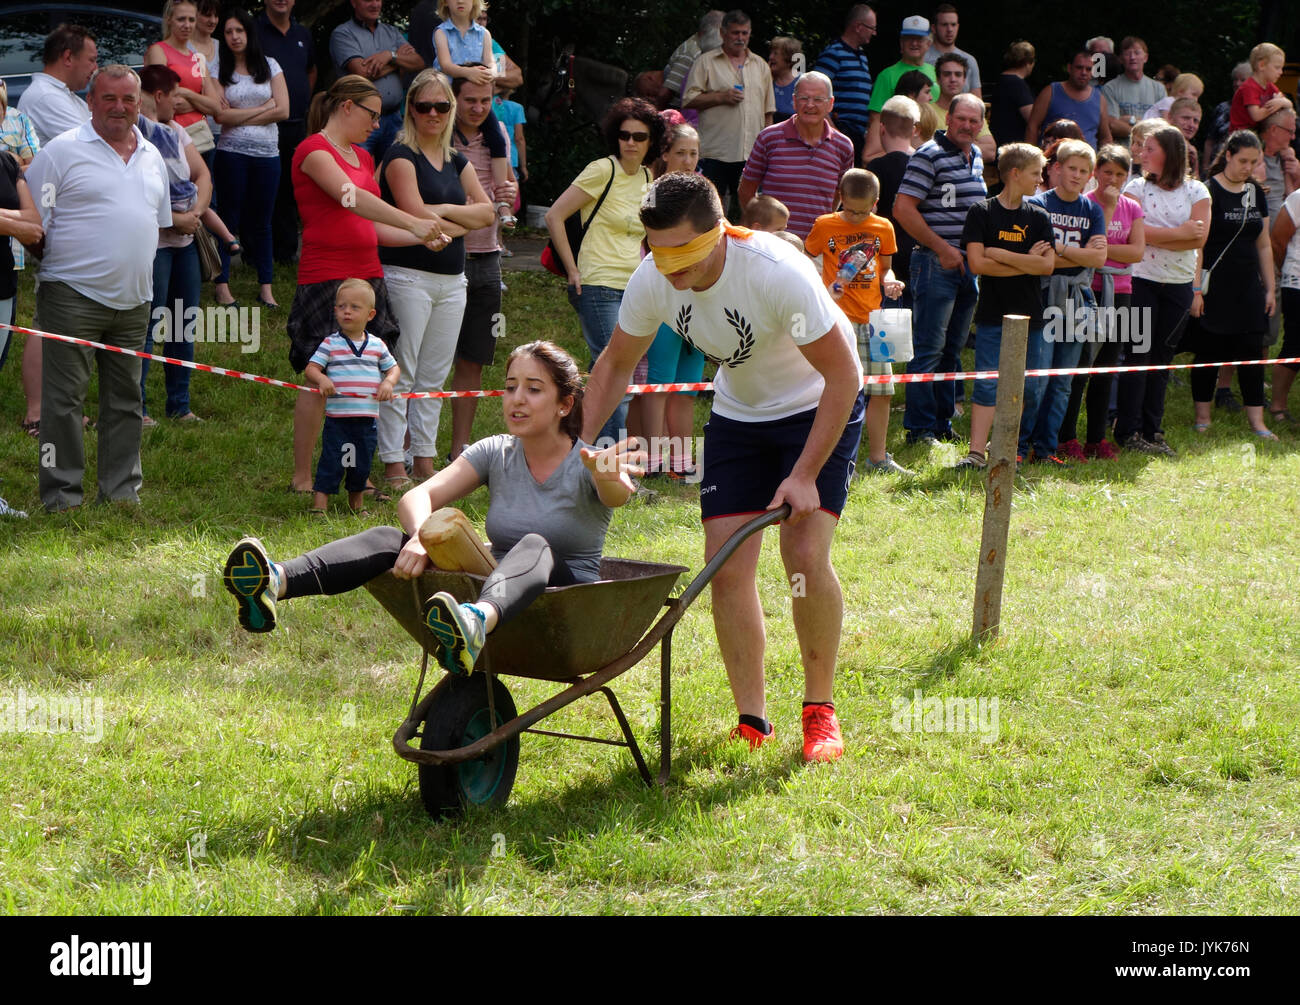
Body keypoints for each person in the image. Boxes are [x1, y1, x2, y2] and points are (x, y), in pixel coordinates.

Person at [583, 171, 865, 763]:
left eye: (682, 251)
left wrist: (805, 473)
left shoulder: (774, 273)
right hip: (740, 414)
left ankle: (820, 712)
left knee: (804, 557)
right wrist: (573, 447)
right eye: (657, 252)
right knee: (727, 563)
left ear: (718, 233)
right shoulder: (653, 277)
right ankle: (752, 720)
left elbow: (845, 376)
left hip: (818, 405)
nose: (669, 267)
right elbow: (614, 366)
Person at [223, 342, 644, 682]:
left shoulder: (591, 462)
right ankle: (273, 582)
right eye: (511, 386)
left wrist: (607, 476)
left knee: (536, 544)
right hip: (496, 587)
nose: (517, 399)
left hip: (567, 604)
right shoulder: (496, 451)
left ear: (564, 406)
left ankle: (477, 621)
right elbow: (415, 497)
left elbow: (616, 495)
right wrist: (422, 537)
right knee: (393, 537)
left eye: (534, 389)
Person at [286, 74, 450, 495]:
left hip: (368, 276)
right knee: (318, 377)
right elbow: (349, 199)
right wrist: (414, 220)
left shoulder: (362, 157)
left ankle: (359, 472)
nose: (377, 124)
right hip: (326, 276)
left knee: (362, 376)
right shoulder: (313, 150)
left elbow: (374, 224)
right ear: (346, 107)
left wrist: (423, 236)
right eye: (372, 114)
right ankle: (303, 477)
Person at [25, 66, 172, 513]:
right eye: (108, 98)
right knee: (63, 402)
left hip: (134, 300)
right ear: (90, 101)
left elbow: (158, 226)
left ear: (140, 102)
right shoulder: (61, 152)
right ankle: (61, 495)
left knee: (127, 399)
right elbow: (33, 224)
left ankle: (121, 491)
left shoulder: (152, 155)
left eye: (128, 99)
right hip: (70, 294)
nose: (119, 108)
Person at [377, 69, 493, 487]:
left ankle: (423, 461)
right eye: (424, 105)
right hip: (407, 274)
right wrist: (443, 215)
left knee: (433, 377)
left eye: (441, 106)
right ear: (410, 108)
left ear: (451, 110)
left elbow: (488, 212)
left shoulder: (457, 159)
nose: (433, 113)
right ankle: (393, 463)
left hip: (451, 279)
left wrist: (440, 213)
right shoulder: (399, 156)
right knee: (401, 372)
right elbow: (413, 214)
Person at [544, 97, 661, 445]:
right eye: (624, 135)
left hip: (634, 287)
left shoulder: (647, 176)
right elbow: (554, 215)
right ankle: (606, 460)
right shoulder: (601, 169)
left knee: (615, 376)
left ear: (651, 140)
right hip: (597, 284)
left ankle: (585, 450)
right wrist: (573, 270)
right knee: (613, 375)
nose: (631, 142)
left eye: (639, 137)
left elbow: (651, 235)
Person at [893, 94, 987, 444]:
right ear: (948, 117)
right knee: (929, 349)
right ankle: (918, 429)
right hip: (935, 263)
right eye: (961, 119)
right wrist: (942, 248)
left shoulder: (974, 156)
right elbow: (903, 208)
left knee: (952, 349)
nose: (966, 126)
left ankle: (941, 424)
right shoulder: (927, 155)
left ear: (981, 125)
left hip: (967, 266)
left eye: (973, 121)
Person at [955, 142, 1054, 470]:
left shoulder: (1038, 216)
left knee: (1026, 385)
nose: (1040, 180)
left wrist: (1002, 254)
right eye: (1035, 173)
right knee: (986, 382)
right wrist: (1027, 261)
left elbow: (1047, 267)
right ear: (1015, 173)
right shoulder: (981, 212)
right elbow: (978, 264)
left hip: (1032, 317)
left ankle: (1007, 449)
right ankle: (975, 453)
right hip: (993, 314)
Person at [805, 168, 910, 474]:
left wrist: (891, 282)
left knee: (882, 390)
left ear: (875, 203)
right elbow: (808, 260)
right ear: (840, 198)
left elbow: (885, 268)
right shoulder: (824, 225)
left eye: (863, 212)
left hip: (875, 318)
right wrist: (825, 289)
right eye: (850, 210)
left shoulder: (883, 227)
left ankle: (878, 457)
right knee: (835, 387)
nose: (855, 217)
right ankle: (826, 454)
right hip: (838, 318)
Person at [1115, 123, 1209, 455]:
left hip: (1179, 286)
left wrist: (1152, 233)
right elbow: (1129, 235)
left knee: (1162, 358)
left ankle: (1153, 430)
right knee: (1137, 355)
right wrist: (1178, 233)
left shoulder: (1197, 191)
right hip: (1138, 282)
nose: (1141, 153)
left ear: (1169, 153)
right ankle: (1127, 430)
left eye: (1150, 148)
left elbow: (1198, 239)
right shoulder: (1135, 188)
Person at [136, 64, 215, 425]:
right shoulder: (137, 136)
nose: (181, 104)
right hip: (154, 246)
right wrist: (172, 217)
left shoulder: (177, 131)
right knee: (146, 325)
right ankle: (136, 406)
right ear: (158, 95)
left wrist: (196, 211)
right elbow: (133, 194)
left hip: (185, 241)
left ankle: (179, 405)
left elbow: (203, 174)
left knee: (183, 324)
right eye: (176, 96)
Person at [1022, 139, 1108, 464]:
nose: (1077, 175)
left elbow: (1099, 258)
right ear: (1057, 168)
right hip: (1043, 296)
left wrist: (1060, 249)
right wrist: (1078, 254)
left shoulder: (1092, 209)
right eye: (1071, 168)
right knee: (1037, 379)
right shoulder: (1039, 204)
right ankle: (1020, 446)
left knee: (1063, 382)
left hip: (1078, 300)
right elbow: (1040, 259)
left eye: (1084, 171)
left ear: (1090, 176)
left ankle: (1045, 450)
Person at [1058, 143, 1145, 460]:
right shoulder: (1086, 205)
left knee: (1107, 366)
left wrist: (1103, 251)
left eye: (1120, 174)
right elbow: (1091, 251)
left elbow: (1136, 252)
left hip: (1121, 290)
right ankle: (1065, 436)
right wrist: (1106, 215)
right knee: (1079, 365)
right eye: (1107, 172)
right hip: (1086, 290)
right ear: (1096, 173)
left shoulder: (1133, 207)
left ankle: (1096, 438)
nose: (1113, 179)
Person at [1187, 130, 1276, 439]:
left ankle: (1258, 423)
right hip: (1214, 286)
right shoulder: (1207, 191)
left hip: (1248, 287)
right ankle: (1203, 417)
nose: (1247, 168)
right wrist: (1195, 289)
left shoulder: (1256, 192)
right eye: (1242, 161)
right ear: (1227, 155)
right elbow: (1197, 245)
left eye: (1254, 162)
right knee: (1208, 352)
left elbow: (1264, 245)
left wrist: (1269, 288)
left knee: (1252, 353)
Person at [640, 122, 707, 479]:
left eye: (694, 153)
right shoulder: (652, 193)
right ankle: (653, 458)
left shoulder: (705, 193)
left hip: (699, 301)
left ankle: (681, 462)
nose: (688, 159)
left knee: (688, 387)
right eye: (681, 152)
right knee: (661, 380)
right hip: (664, 297)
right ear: (664, 154)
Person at [212, 8, 289, 310]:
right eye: (228, 32)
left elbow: (283, 110)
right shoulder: (220, 69)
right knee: (228, 220)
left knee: (263, 222)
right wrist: (262, 109)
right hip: (231, 154)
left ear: (248, 33)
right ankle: (222, 286)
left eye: (239, 31)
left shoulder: (270, 66)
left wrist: (238, 116)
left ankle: (266, 288)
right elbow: (220, 116)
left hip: (268, 155)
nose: (233, 37)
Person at [305, 279, 400, 514]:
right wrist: (322, 379)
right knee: (331, 460)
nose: (347, 311)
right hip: (338, 419)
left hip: (367, 421)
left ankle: (356, 505)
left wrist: (388, 382)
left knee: (361, 464)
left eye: (355, 307)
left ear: (370, 314)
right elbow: (311, 368)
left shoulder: (377, 345)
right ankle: (319, 505)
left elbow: (394, 368)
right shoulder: (330, 343)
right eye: (341, 306)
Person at [737, 72, 854, 239]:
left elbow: (838, 196)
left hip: (816, 249)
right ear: (794, 101)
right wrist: (761, 232)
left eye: (818, 99)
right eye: (804, 98)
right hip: (772, 248)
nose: (810, 105)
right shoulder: (768, 138)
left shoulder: (843, 146)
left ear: (830, 104)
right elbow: (746, 191)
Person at [682, 10, 774, 221]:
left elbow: (768, 111)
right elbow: (688, 99)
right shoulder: (705, 62)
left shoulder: (761, 66)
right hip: (715, 151)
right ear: (723, 34)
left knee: (752, 211)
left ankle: (749, 249)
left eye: (745, 33)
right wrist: (721, 97)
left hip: (751, 153)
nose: (740, 38)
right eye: (735, 33)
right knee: (710, 210)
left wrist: (768, 150)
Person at [431, 0, 515, 228]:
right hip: (447, 100)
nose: (460, 1)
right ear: (445, 3)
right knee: (445, 144)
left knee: (497, 140)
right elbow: (446, 66)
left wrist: (485, 73)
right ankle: (448, 193)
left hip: (474, 92)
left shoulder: (484, 34)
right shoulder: (441, 32)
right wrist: (469, 72)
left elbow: (491, 64)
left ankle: (501, 200)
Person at [256, 0, 317, 264]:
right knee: (263, 190)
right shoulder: (254, 31)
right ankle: (258, 253)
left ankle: (287, 252)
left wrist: (300, 100)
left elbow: (311, 71)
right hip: (263, 123)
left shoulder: (302, 33)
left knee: (291, 189)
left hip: (296, 124)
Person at [329, 0, 423, 161]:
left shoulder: (391, 32)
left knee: (396, 171)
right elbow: (362, 72)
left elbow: (418, 62)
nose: (375, 4)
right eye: (368, 0)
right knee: (359, 172)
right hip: (359, 119)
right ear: (353, 3)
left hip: (394, 118)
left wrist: (389, 55)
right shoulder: (343, 34)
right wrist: (397, 61)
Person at [0, 80, 42, 436]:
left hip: (2, 281)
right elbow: (23, 225)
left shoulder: (7, 163)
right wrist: (13, 223)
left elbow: (34, 222)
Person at [144, 1, 222, 159]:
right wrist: (202, 103)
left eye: (191, 20)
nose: (187, 25)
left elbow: (216, 108)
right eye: (181, 19)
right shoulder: (159, 51)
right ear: (169, 20)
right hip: (171, 139)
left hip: (201, 140)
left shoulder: (197, 58)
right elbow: (163, 102)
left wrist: (187, 93)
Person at [865, 95, 920, 308]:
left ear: (881, 129)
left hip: (885, 255)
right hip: (918, 251)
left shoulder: (876, 168)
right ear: (914, 130)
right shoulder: (924, 166)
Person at [861, 14, 936, 162]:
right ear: (901, 43)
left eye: (919, 38)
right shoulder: (886, 76)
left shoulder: (936, 73)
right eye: (909, 38)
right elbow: (876, 120)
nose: (914, 43)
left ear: (929, 43)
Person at [814, 5, 877, 162]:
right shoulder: (833, 54)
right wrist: (834, 132)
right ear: (858, 27)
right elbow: (815, 93)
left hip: (857, 135)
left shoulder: (862, 56)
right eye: (871, 28)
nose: (874, 32)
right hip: (839, 132)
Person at [18, 23, 96, 145]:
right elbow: (91, 147)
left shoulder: (61, 95)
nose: (95, 68)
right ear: (68, 57)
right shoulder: (46, 97)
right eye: (92, 60)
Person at [1026, 49, 1112, 149]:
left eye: (1088, 69)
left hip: (1086, 161)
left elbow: (1105, 138)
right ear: (1069, 68)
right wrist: (1031, 160)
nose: (1084, 72)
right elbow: (1032, 127)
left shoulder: (1100, 99)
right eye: (1079, 68)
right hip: (1052, 160)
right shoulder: (1050, 92)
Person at [1269, 180, 1300, 422]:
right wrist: (1286, 270)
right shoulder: (1297, 199)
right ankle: (1278, 407)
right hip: (1296, 282)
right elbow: (1277, 241)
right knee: (1295, 345)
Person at [1102, 37, 1166, 146]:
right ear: (1121, 59)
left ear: (1145, 57)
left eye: (1137, 53)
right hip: (1122, 154)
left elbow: (1163, 126)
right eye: (1127, 54)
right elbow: (1112, 125)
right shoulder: (1110, 88)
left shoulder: (1158, 89)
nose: (1132, 57)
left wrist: (1131, 120)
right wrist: (1146, 127)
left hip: (1150, 154)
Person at [931, 53, 995, 163]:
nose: (953, 79)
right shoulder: (925, 112)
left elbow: (990, 152)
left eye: (958, 74)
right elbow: (923, 149)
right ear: (938, 79)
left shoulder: (974, 110)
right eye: (947, 74)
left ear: (964, 79)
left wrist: (945, 142)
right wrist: (970, 142)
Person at [663, 10, 725, 112]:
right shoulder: (692, 53)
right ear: (705, 32)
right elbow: (666, 92)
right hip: (679, 112)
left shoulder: (699, 44)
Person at [924, 4, 981, 97]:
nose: (949, 29)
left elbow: (977, 102)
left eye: (953, 25)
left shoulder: (970, 60)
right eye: (944, 25)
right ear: (933, 28)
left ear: (958, 27)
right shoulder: (923, 59)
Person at [1230, 43, 1289, 132]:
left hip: (1256, 132)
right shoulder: (1249, 87)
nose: (1281, 72)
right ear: (1261, 65)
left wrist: (1282, 102)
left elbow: (1289, 104)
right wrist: (1275, 105)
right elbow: (1256, 116)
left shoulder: (1269, 86)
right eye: (1277, 68)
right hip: (1241, 134)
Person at [1204, 62, 1251, 172]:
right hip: (1218, 167)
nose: (1237, 83)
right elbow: (1210, 140)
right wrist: (1205, 166)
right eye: (1235, 79)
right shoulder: (1222, 108)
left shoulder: (1256, 111)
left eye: (1242, 80)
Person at [990, 40, 1035, 149]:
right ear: (1028, 62)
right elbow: (1032, 117)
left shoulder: (1002, 80)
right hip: (1013, 146)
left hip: (999, 142)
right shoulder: (1017, 84)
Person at [768, 36, 802, 123]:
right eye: (771, 53)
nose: (771, 57)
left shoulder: (803, 83)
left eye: (775, 53)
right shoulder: (766, 81)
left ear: (789, 57)